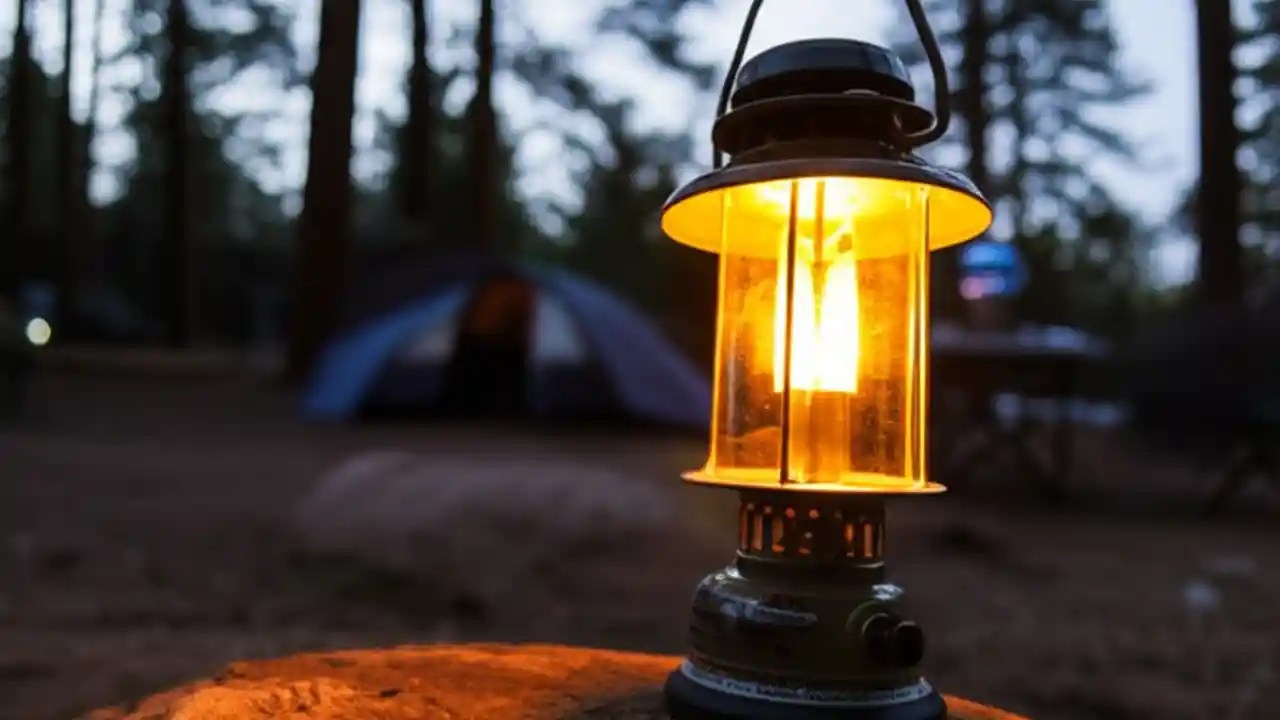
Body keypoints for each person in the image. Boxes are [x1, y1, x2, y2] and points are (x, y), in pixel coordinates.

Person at [0, 297, 32, 413]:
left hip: (14, 355)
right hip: (11, 354)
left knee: (14, 378)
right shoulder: (14, 320)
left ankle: (13, 401)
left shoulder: (15, 321)